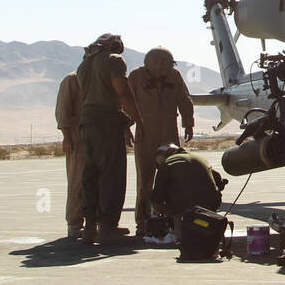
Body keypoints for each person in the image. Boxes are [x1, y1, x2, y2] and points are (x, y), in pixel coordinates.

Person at [76, 33, 138, 244]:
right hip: (107, 123)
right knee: (112, 175)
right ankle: (108, 227)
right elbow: (122, 91)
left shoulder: (84, 65)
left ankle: (89, 226)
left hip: (87, 123)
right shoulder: (114, 60)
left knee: (91, 175)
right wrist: (136, 118)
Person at [126, 47, 195, 230]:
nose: (165, 70)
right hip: (145, 132)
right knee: (145, 179)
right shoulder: (135, 77)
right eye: (161, 65)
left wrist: (189, 124)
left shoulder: (175, 76)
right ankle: (143, 221)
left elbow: (184, 100)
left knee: (173, 176)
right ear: (150, 65)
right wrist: (127, 128)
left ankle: (172, 219)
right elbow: (126, 102)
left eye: (168, 65)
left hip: (169, 131)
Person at [151, 144, 225, 235]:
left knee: (164, 196)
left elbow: (157, 200)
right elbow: (219, 182)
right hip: (212, 205)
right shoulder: (199, 158)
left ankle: (177, 231)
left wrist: (163, 214)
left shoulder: (167, 164)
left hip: (185, 207)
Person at [55, 71, 84, 241]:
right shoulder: (72, 80)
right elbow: (63, 109)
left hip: (97, 137)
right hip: (77, 137)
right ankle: (74, 224)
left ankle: (94, 222)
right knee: (77, 181)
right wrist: (67, 136)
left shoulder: (102, 77)